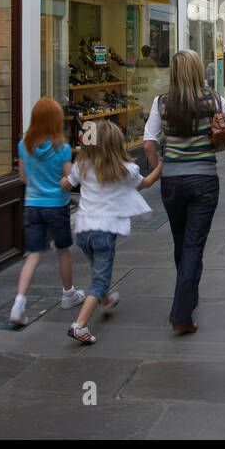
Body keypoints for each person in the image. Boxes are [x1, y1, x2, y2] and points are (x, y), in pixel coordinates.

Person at [143, 49, 225, 333]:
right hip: (204, 181)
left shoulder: (161, 102)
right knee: (193, 245)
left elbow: (149, 142)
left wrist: (159, 166)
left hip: (172, 182)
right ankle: (182, 313)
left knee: (181, 242)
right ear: (199, 70)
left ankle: (187, 296)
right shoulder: (214, 100)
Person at [62, 119, 162, 344]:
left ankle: (107, 300)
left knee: (97, 269)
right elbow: (145, 183)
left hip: (83, 231)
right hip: (104, 232)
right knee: (99, 279)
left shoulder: (82, 165)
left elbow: (66, 183)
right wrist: (160, 167)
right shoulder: (125, 169)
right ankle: (79, 325)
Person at [10, 98, 85, 326]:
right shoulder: (61, 149)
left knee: (33, 254)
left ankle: (19, 302)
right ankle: (68, 294)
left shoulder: (24, 146)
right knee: (63, 251)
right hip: (56, 206)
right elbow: (69, 180)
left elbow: (23, 178)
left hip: (32, 205)